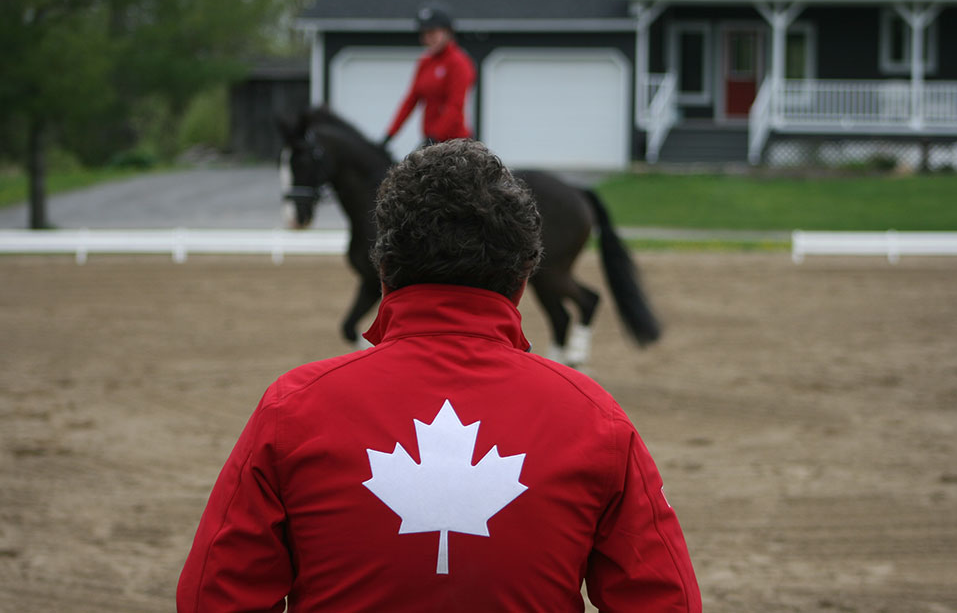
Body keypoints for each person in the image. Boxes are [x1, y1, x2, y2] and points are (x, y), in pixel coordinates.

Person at [176, 140, 701, 612]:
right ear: (522, 280)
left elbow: (212, 598)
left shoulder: (290, 408)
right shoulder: (597, 418)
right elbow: (666, 601)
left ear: (383, 270)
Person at [383, 3, 476, 148]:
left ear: (447, 32)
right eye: (424, 34)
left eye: (432, 32)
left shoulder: (459, 62)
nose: (427, 38)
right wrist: (389, 135)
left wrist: (433, 137)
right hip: (431, 141)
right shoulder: (425, 62)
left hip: (455, 143)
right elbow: (410, 100)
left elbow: (455, 106)